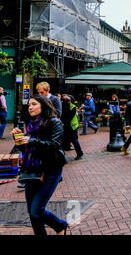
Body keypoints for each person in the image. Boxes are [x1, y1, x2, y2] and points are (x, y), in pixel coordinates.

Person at [11, 95, 68, 236]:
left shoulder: (54, 123)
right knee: (32, 212)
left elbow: (54, 146)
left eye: (34, 104)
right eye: (29, 104)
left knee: (37, 210)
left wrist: (31, 141)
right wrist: (18, 139)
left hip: (50, 170)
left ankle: (60, 225)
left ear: (43, 105)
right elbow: (27, 149)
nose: (30, 107)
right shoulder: (31, 123)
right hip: (31, 170)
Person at [61, 95, 84, 160]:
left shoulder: (73, 107)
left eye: (69, 101)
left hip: (72, 127)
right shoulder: (62, 105)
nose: (69, 102)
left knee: (74, 141)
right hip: (66, 126)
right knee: (64, 141)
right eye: (67, 101)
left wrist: (63, 123)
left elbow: (69, 117)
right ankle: (62, 155)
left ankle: (79, 153)